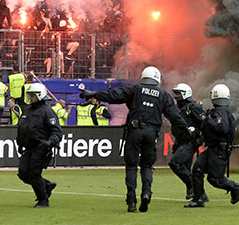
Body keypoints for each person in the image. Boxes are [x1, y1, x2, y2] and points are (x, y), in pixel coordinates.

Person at [80, 66, 190, 212]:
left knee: (131, 166)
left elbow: (114, 95)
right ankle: (146, 193)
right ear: (157, 78)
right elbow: (175, 116)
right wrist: (187, 131)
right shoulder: (163, 94)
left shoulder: (135, 89)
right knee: (146, 166)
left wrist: (94, 94)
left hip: (134, 131)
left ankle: (131, 200)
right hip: (151, 133)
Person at [186, 84, 239, 207]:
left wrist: (208, 120)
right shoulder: (223, 111)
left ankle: (235, 188)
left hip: (219, 150)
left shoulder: (221, 112)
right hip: (213, 148)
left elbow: (222, 128)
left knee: (215, 179)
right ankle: (198, 199)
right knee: (197, 170)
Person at [16, 83, 63, 207]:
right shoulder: (27, 111)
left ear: (40, 96)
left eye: (33, 96)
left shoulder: (47, 112)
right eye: (29, 95)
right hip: (29, 147)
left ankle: (43, 200)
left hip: (41, 146)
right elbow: (22, 128)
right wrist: (20, 142)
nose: (30, 98)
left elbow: (57, 131)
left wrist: (50, 142)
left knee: (34, 173)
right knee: (23, 173)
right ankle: (47, 185)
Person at [169, 83, 206, 201]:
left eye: (178, 94)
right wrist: (175, 144)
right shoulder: (178, 109)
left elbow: (205, 124)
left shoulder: (193, 107)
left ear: (185, 94)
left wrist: (201, 139)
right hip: (181, 141)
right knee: (185, 167)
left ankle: (192, 188)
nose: (176, 96)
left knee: (176, 163)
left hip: (189, 142)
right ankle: (201, 195)